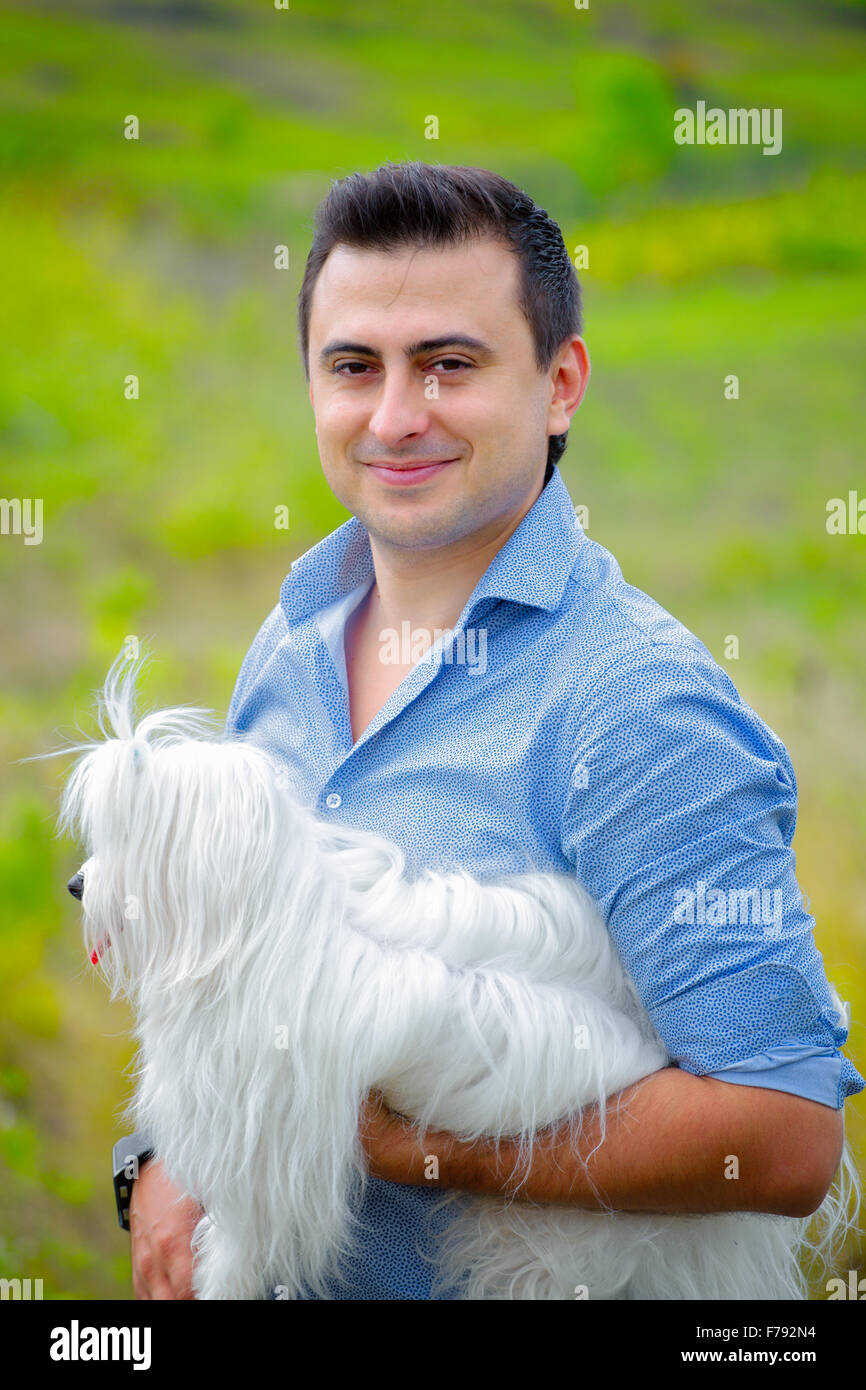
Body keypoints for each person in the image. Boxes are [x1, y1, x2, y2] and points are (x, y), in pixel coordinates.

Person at [128, 161, 862, 1300]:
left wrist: (429, 1153)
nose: (393, 417)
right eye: (352, 367)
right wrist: (172, 1158)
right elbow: (238, 970)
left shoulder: (637, 707)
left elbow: (781, 1135)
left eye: (448, 364)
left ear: (559, 382)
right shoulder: (287, 645)